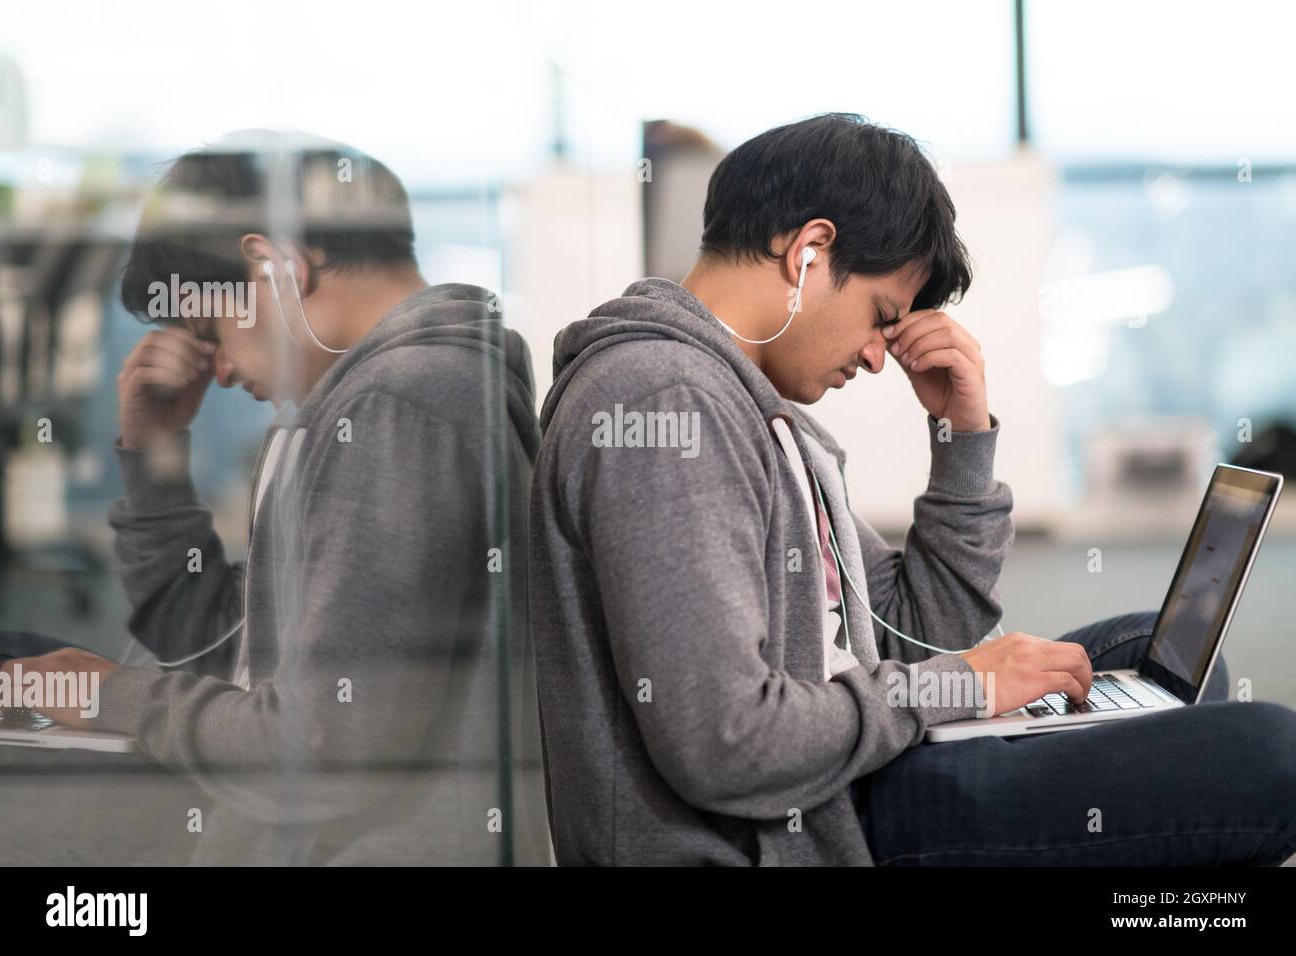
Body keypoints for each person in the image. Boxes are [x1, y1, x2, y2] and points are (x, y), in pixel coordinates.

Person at [528, 112, 1296, 866]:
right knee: (1270, 752)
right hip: (817, 820)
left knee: (1144, 653)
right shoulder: (666, 403)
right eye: (880, 315)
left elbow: (913, 628)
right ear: (811, 251)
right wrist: (957, 690)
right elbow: (724, 743)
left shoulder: (751, 410)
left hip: (851, 768)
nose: (874, 356)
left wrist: (962, 438)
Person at [0, 131, 549, 865]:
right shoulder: (363, 405)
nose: (218, 369)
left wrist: (109, 696)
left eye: (211, 328)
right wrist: (158, 456)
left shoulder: (397, 407)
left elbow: (325, 746)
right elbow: (227, 647)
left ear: (275, 266)